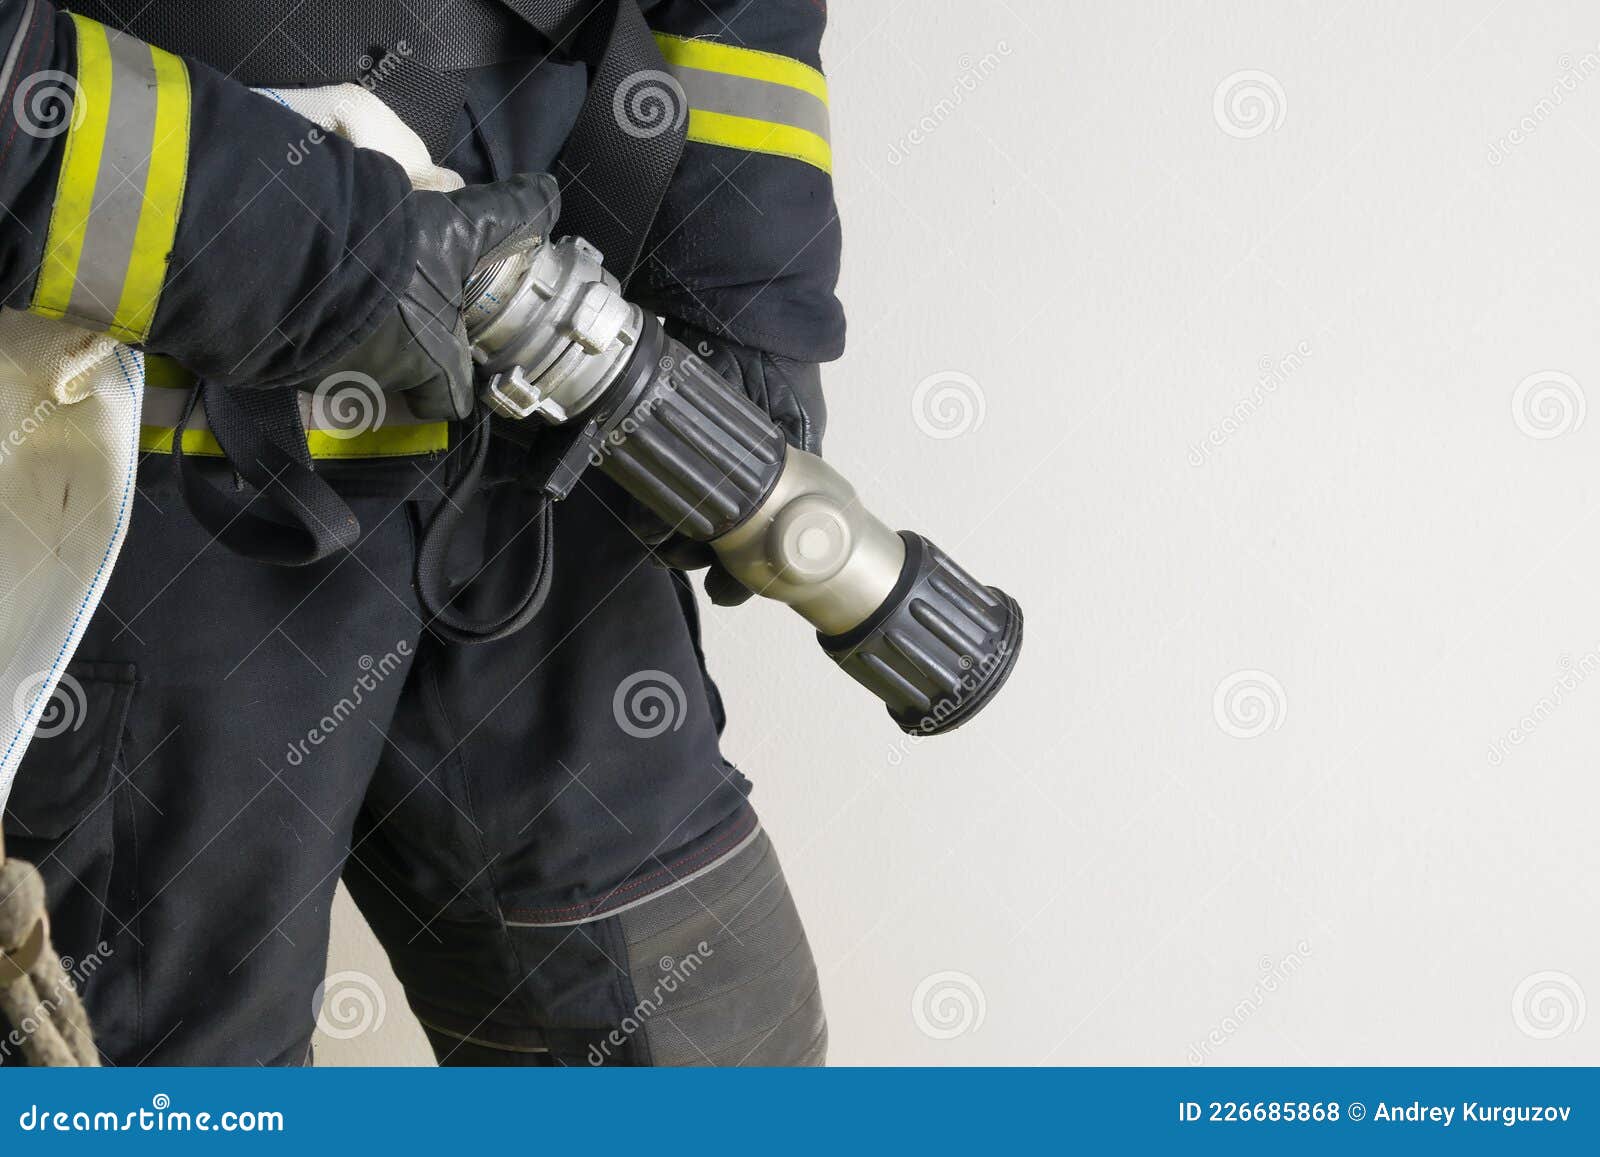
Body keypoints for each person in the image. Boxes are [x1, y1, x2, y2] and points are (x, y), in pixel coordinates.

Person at [0, 0, 840, 1065]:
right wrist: (317, 245)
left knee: (708, 1047)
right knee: (156, 1082)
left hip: (523, 463)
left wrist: (745, 285)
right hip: (121, 489)